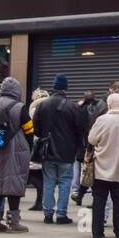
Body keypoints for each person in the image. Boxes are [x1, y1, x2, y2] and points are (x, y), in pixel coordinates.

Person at [32, 74, 85, 224]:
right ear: (65, 89)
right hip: (67, 152)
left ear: (54, 87)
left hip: (47, 151)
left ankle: (48, 213)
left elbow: (35, 128)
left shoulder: (42, 105)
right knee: (65, 182)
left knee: (48, 182)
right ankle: (61, 214)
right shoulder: (73, 107)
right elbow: (80, 129)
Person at [87, 92, 119, 238]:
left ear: (109, 105)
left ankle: (97, 232)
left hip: (101, 167)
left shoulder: (102, 119)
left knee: (99, 201)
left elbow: (91, 139)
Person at [0, 77, 32, 233]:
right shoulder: (20, 107)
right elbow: (30, 130)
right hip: (16, 149)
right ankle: (14, 223)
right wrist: (28, 148)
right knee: (14, 183)